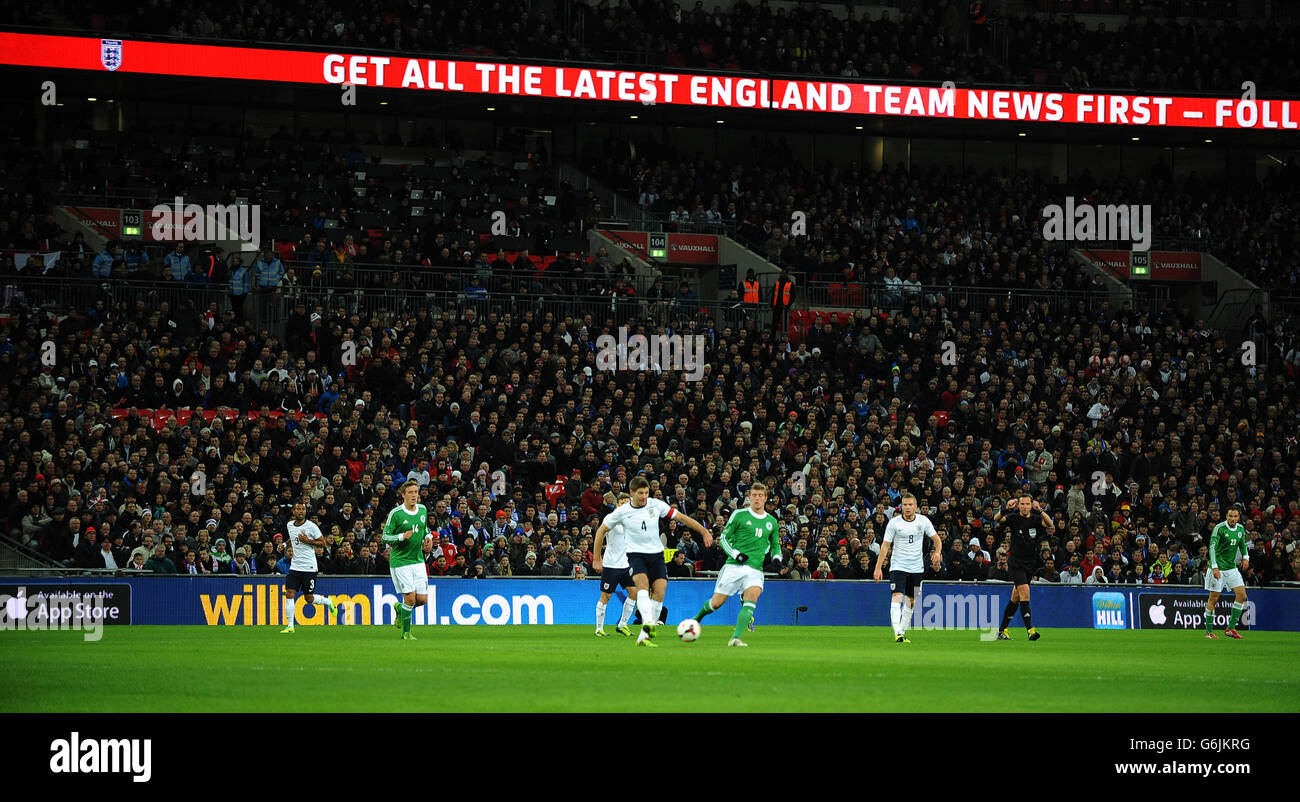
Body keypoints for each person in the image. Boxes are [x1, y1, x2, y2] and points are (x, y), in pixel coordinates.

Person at [592, 475, 712, 647]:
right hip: (635, 555)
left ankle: (645, 634)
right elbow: (600, 531)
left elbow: (682, 518)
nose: (643, 497)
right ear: (632, 492)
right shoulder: (621, 512)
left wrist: (704, 532)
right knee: (641, 586)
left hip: (656, 555)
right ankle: (647, 624)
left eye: (646, 493)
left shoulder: (656, 505)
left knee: (660, 591)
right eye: (640, 493)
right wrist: (597, 559)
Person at [692, 482, 780, 647]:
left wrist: (777, 559)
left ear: (766, 498)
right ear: (749, 497)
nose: (757, 498)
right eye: (754, 495)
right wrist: (736, 554)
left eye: (761, 495)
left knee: (751, 598)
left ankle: (735, 638)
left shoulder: (772, 522)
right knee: (716, 603)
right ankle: (696, 620)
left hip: (755, 569)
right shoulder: (739, 515)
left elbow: (775, 545)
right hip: (734, 567)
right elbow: (724, 537)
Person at [873, 492, 942, 643]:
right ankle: (898, 632)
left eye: (910, 505)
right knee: (897, 597)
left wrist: (937, 552)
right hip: (898, 566)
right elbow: (885, 546)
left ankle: (902, 632)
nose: (908, 507)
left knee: (912, 600)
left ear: (916, 506)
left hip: (917, 568)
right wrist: (878, 568)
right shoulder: (894, 523)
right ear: (901, 506)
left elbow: (937, 539)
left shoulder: (923, 521)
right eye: (905, 505)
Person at [994, 493, 1052, 641]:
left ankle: (1001, 631)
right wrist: (1006, 508)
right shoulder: (1013, 518)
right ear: (1018, 505)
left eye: (1027, 504)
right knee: (1025, 591)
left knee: (1016, 598)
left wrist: (1040, 510)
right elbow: (996, 519)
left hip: (1030, 563)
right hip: (1015, 562)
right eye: (1022, 504)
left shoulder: (1035, 518)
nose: (1025, 507)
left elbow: (1050, 524)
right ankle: (1030, 630)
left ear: (1031, 505)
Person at [382, 480, 432, 641]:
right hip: (401, 562)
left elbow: (425, 529)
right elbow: (384, 537)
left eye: (416, 492)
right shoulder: (396, 513)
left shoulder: (423, 510)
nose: (414, 495)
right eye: (410, 492)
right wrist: (401, 536)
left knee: (422, 600)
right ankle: (406, 633)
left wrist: (429, 537)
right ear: (403, 495)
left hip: (418, 560)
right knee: (410, 598)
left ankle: (400, 608)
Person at [281, 502, 337, 633]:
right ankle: (290, 626)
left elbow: (323, 542)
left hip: (309, 567)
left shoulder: (311, 527)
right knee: (289, 593)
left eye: (303, 509)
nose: (301, 511)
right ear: (293, 511)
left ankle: (328, 602)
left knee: (308, 598)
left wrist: (308, 541)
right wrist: (284, 545)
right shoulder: (290, 525)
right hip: (295, 567)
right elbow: (292, 538)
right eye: (298, 509)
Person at [589, 492, 637, 637]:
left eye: (627, 503)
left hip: (626, 565)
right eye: (622, 503)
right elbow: (599, 535)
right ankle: (599, 629)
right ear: (617, 505)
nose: (625, 505)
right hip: (611, 565)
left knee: (634, 593)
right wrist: (597, 559)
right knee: (606, 597)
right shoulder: (611, 518)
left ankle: (622, 625)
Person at [1203, 506, 1251, 639]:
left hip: (1232, 568)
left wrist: (1245, 558)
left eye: (1235, 516)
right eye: (1230, 516)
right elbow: (1212, 547)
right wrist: (1215, 567)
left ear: (1238, 517)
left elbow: (1242, 545)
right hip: (1217, 568)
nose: (1233, 519)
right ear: (1226, 516)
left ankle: (1230, 628)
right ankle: (1209, 632)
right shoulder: (1219, 528)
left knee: (1242, 595)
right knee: (1214, 598)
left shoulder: (1240, 529)